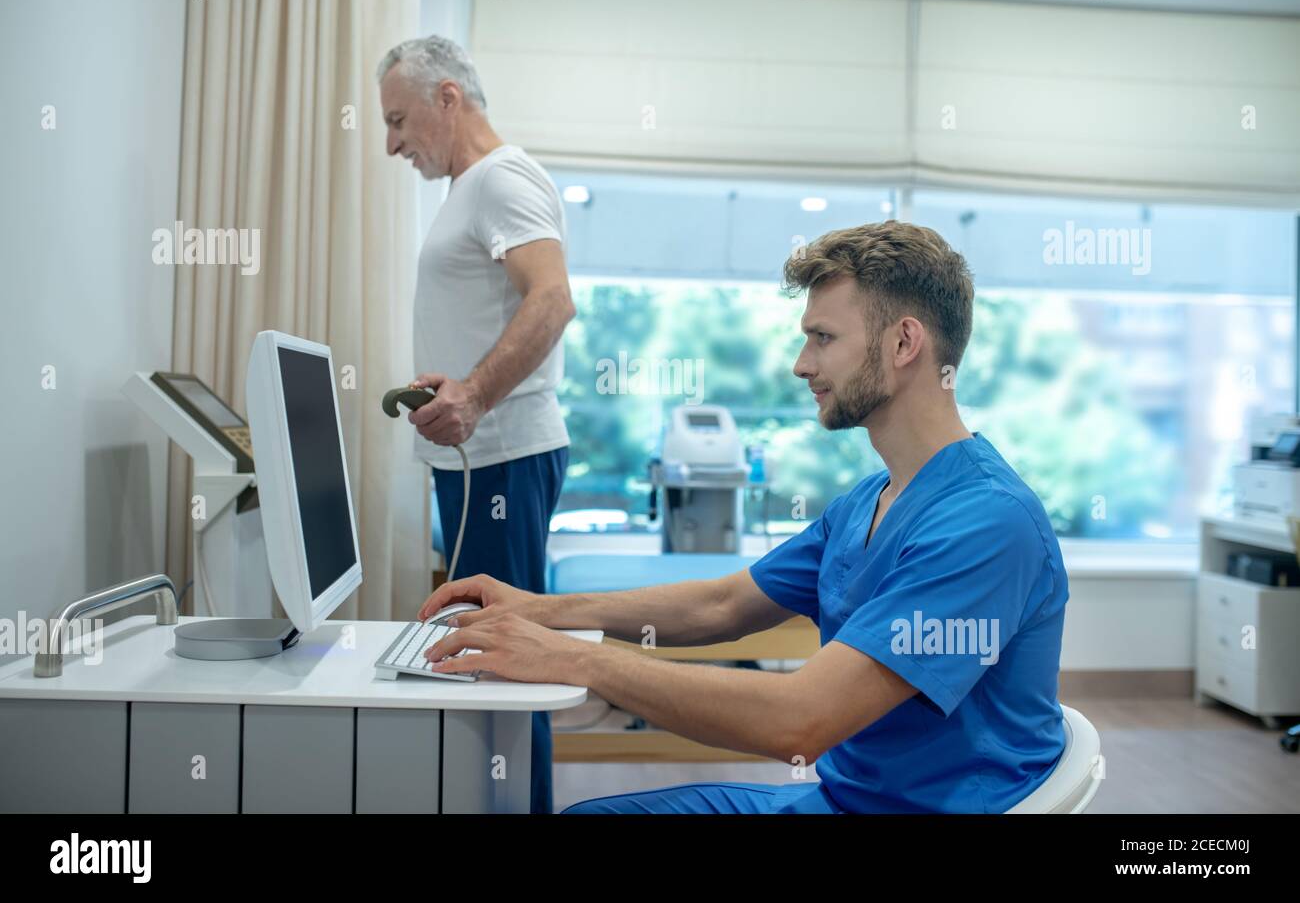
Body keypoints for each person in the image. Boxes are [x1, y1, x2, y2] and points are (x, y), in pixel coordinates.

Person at [416, 220, 1069, 814]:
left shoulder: (986, 525)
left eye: (823, 338)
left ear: (904, 343)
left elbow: (799, 720)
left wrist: (574, 661)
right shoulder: (870, 500)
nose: (801, 364)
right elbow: (723, 606)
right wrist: (539, 609)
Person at [377, 35, 575, 814]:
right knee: (489, 658)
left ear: (448, 98)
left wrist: (475, 396)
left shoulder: (501, 178)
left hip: (501, 459)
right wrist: (455, 385)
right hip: (482, 461)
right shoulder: (472, 189)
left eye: (399, 120)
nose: (392, 142)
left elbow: (553, 298)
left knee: (508, 663)